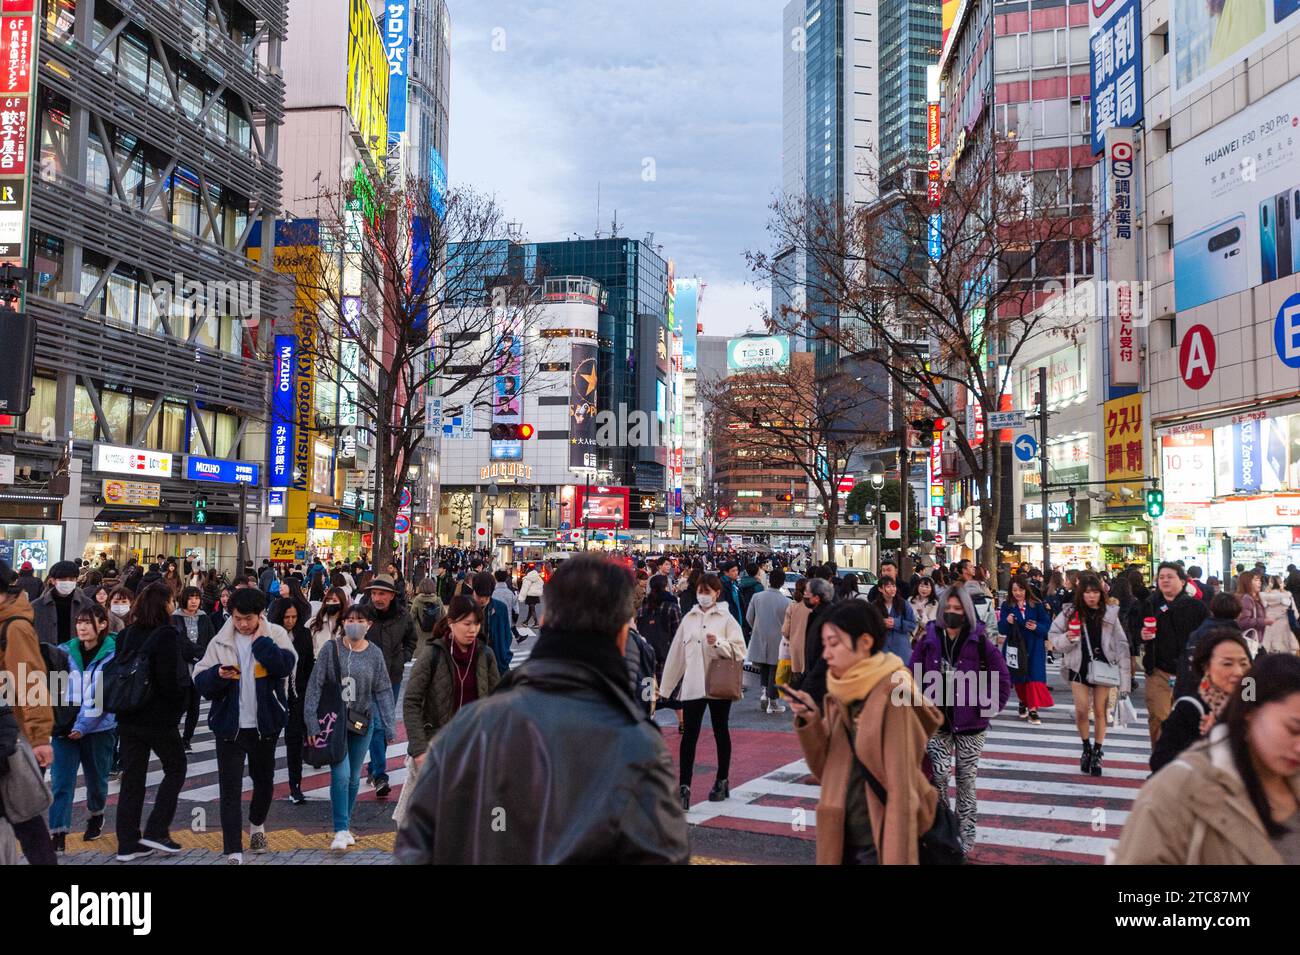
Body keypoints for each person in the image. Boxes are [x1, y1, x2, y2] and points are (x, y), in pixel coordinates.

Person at [396, 554, 689, 864]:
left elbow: (416, 846)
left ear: (546, 621)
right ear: (621, 636)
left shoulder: (471, 727)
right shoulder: (636, 746)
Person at [783, 601, 942, 864]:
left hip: (878, 841)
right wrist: (810, 718)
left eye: (834, 643)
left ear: (865, 642)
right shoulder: (842, 691)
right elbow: (826, 770)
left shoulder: (892, 694)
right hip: (844, 834)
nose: (827, 654)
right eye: (825, 645)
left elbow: (900, 793)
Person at [1113, 653, 1300, 864]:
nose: (1236, 671)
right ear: (1251, 712)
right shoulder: (1177, 789)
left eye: (1243, 663)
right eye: (1293, 729)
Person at [192, 586, 296, 862]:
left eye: (248, 619)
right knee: (229, 788)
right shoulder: (221, 640)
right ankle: (233, 848)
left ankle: (257, 824)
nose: (242, 624)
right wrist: (217, 675)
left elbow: (286, 665)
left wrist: (263, 645)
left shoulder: (276, 634)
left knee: (264, 782)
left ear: (260, 615)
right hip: (229, 726)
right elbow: (200, 679)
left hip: (265, 725)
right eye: (237, 618)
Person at [909, 585, 1011, 854]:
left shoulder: (979, 640)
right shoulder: (929, 638)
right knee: (938, 777)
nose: (953, 613)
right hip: (937, 723)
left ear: (966, 612)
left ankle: (965, 840)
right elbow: (910, 675)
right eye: (949, 609)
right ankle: (943, 835)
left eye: (958, 609)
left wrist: (987, 709)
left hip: (971, 725)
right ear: (942, 610)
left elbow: (1002, 678)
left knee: (966, 782)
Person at [397, 596, 501, 827]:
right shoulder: (433, 654)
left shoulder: (485, 655)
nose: (473, 629)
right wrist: (419, 749)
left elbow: (498, 703)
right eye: (466, 623)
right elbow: (411, 701)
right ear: (451, 623)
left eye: (476, 623)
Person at [304, 604, 396, 851]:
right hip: (334, 723)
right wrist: (311, 722)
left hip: (362, 722)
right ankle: (341, 828)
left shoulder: (375, 654)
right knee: (341, 774)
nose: (354, 623)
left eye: (360, 620)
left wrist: (389, 726)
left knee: (355, 777)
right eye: (350, 619)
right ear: (343, 622)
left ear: (369, 625)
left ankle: (345, 825)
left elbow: (383, 690)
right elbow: (315, 685)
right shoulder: (330, 649)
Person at [113, 583, 192, 861]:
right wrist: (177, 710)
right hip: (157, 719)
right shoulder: (166, 635)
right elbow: (171, 681)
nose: (173, 605)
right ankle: (157, 829)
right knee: (176, 767)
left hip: (127, 716)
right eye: (171, 600)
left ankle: (127, 843)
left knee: (132, 780)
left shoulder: (125, 635)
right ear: (164, 605)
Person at [660, 572, 747, 808]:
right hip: (693, 685)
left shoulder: (727, 619)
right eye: (700, 591)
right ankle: (684, 787)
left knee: (721, 731)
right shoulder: (689, 618)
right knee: (689, 736)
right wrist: (666, 688)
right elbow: (677, 654)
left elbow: (741, 652)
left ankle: (722, 779)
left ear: (717, 594)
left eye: (707, 592)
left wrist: (718, 643)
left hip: (719, 683)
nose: (703, 596)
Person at [1048, 574, 1132, 776]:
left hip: (1104, 667)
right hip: (1079, 666)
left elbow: (1121, 645)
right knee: (1081, 710)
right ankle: (1085, 748)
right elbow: (1053, 636)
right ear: (1081, 594)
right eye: (1087, 592)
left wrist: (1125, 680)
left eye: (1095, 592)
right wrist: (1068, 638)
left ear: (1101, 593)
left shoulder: (1110, 613)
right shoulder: (1070, 612)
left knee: (1101, 711)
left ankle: (1097, 751)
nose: (1091, 596)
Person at [48, 605, 117, 852]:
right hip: (64, 729)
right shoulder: (64, 651)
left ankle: (97, 813)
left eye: (88, 622)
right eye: (79, 622)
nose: (82, 627)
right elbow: (54, 687)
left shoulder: (113, 654)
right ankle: (58, 833)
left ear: (102, 624)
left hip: (99, 729)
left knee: (96, 780)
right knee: (61, 782)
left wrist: (82, 726)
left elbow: (101, 697)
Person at [1150, 629, 1252, 774]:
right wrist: (1207, 743)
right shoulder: (1191, 707)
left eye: (1243, 663)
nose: (1238, 672)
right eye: (1227, 664)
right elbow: (1160, 762)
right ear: (1206, 667)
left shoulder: (1252, 706)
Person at [1139, 562, 1210, 746]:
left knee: (1186, 721)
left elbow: (1209, 635)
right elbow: (1133, 629)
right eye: (1161, 577)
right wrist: (1141, 634)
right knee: (1158, 718)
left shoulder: (1196, 607)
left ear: (1183, 581)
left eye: (1170, 577)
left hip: (1188, 672)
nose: (1165, 581)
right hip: (1158, 671)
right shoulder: (1150, 604)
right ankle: (1160, 765)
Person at [361, 573, 419, 798]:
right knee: (374, 724)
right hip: (366, 678)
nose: (377, 598)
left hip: (392, 677)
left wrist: (403, 657)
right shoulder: (363, 614)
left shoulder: (403, 616)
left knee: (384, 726)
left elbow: (411, 640)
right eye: (374, 593)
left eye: (382, 594)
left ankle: (373, 767)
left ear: (392, 596)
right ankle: (380, 775)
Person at [268, 599, 315, 805]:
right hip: (274, 694)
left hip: (297, 694)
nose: (290, 621)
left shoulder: (303, 635)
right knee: (268, 741)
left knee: (294, 742)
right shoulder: (270, 635)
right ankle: (264, 781)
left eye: (294, 617)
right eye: (286, 617)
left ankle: (295, 786)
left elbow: (308, 665)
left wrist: (307, 694)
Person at [998, 574, 1055, 724]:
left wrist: (1037, 627)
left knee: (1035, 678)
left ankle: (1033, 709)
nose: (1018, 593)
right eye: (1015, 590)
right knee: (1019, 678)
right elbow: (1002, 629)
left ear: (1026, 589)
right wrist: (1007, 621)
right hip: (1015, 646)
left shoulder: (1036, 604)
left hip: (1034, 646)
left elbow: (1047, 624)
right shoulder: (1007, 606)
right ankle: (1023, 701)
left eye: (1021, 589)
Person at [172, 585, 215, 752]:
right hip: (181, 667)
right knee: (181, 703)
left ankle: (187, 738)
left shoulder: (204, 617)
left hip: (199, 667)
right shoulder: (175, 617)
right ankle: (174, 736)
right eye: (191, 598)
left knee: (194, 705)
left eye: (197, 598)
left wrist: (202, 656)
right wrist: (194, 654)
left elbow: (210, 639)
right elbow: (178, 642)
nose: (194, 601)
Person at [746, 568, 791, 714]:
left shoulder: (757, 597)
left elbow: (749, 617)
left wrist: (757, 628)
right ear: (782, 582)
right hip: (778, 639)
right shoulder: (786, 602)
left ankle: (764, 693)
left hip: (759, 636)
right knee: (774, 669)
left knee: (763, 667)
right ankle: (773, 702)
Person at [30, 561, 95, 648]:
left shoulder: (87, 605)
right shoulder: (37, 606)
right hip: (46, 657)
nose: (67, 582)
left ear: (76, 580)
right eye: (63, 579)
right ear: (53, 581)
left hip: (79, 657)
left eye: (72, 579)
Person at [794, 577, 837, 705]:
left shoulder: (828, 617)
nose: (804, 595)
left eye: (807, 593)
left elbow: (823, 652)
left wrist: (810, 680)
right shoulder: (816, 614)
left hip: (822, 682)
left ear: (817, 598)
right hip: (815, 678)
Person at [472, 570, 514, 673]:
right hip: (473, 663)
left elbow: (507, 635)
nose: (482, 600)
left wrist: (505, 657)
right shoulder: (467, 607)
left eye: (486, 597)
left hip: (497, 662)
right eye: (479, 596)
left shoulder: (500, 608)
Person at [869, 575, 915, 659]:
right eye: (888, 586)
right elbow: (869, 625)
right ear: (880, 589)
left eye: (893, 586)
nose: (892, 589)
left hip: (901, 650)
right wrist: (881, 623)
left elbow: (912, 624)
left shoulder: (904, 604)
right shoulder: (874, 605)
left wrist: (896, 623)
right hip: (882, 649)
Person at [782, 577, 812, 684]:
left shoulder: (792, 607)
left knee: (796, 682)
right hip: (810, 648)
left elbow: (785, 631)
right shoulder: (813, 608)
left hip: (794, 649)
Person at [310, 586, 349, 653]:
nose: (330, 603)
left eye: (334, 600)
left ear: (342, 602)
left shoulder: (348, 624)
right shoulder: (315, 622)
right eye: (328, 600)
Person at [409, 578, 445, 652]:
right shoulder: (438, 600)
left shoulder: (417, 600)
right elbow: (444, 618)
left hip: (420, 635)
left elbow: (411, 618)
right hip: (435, 636)